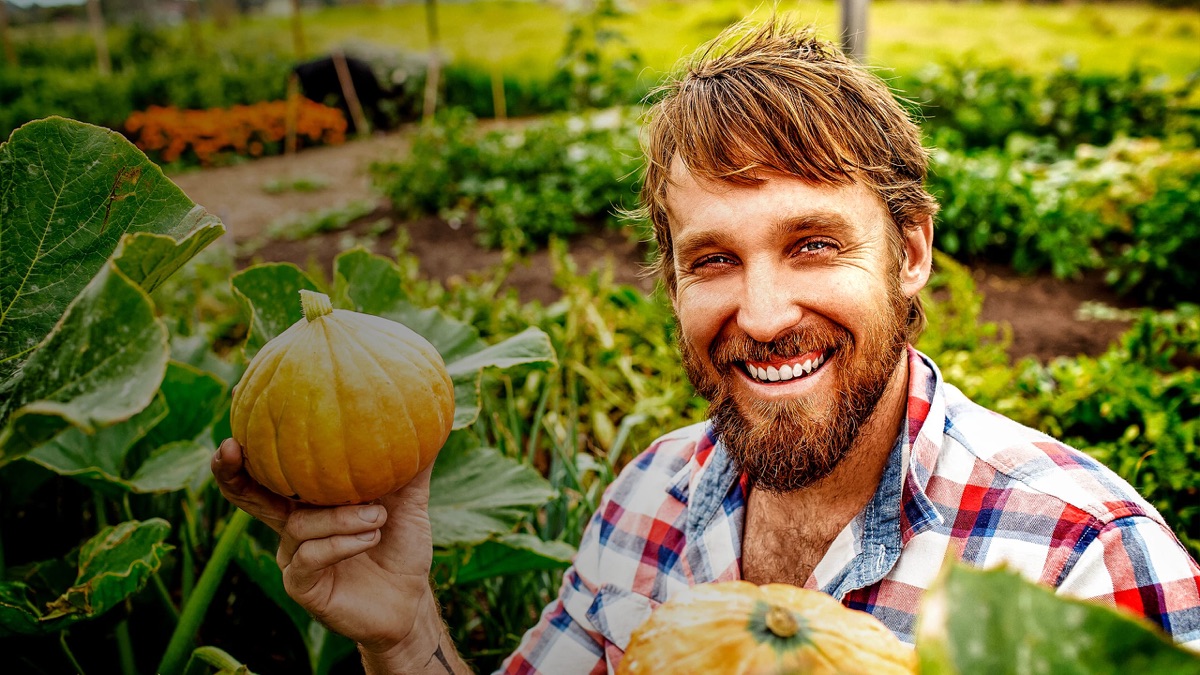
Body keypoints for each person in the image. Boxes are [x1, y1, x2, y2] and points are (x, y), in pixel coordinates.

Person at [213, 18, 1200, 673]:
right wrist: (406, 629)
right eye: (714, 260)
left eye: (812, 244)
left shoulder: (1080, 560)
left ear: (910, 252)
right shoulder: (647, 497)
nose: (763, 314)